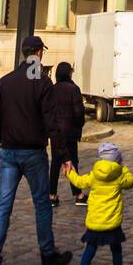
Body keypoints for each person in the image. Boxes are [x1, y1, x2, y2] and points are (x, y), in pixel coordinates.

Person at [0, 35, 72, 265]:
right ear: (38, 53)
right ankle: (47, 255)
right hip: (33, 153)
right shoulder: (42, 83)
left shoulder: (5, 82)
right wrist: (64, 155)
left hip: (9, 152)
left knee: (3, 208)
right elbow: (51, 123)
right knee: (42, 205)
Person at [66, 141, 133, 265]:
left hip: (95, 221)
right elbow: (131, 182)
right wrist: (124, 168)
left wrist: (69, 172)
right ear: (117, 161)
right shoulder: (119, 175)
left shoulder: (94, 175)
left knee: (89, 250)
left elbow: (79, 182)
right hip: (111, 221)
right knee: (116, 248)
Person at [48, 62, 86, 207]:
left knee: (56, 163)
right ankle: (78, 194)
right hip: (69, 132)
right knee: (73, 162)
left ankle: (52, 194)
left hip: (55, 132)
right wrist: (79, 125)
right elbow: (78, 112)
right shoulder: (73, 89)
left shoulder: (52, 89)